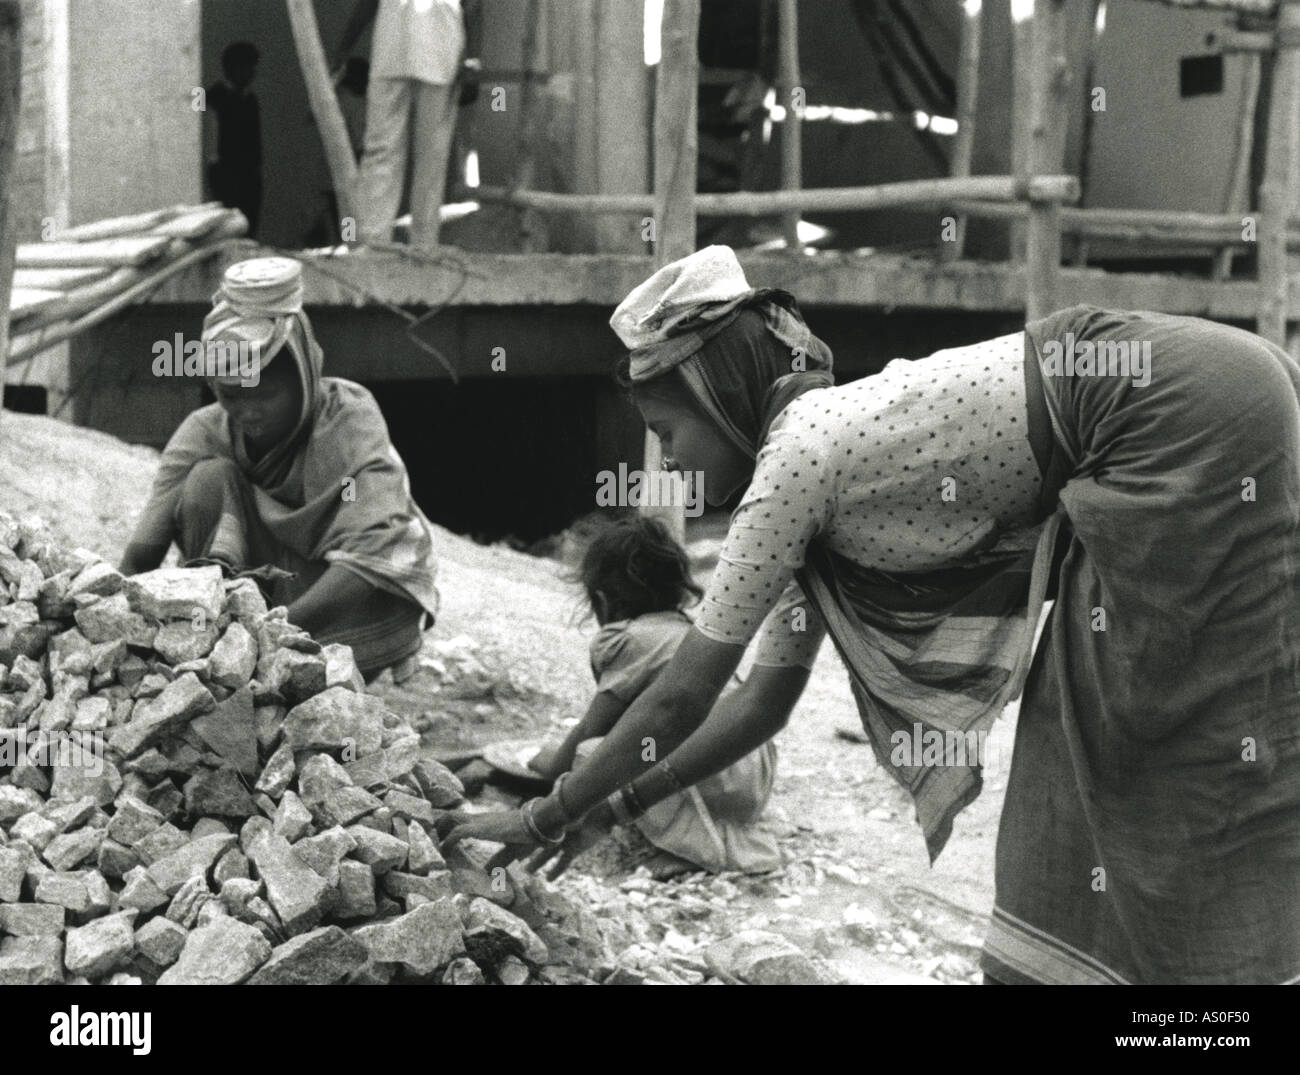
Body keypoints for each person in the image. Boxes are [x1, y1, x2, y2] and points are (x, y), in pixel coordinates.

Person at [445, 244, 1300, 986]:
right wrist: (617, 804)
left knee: (1167, 739)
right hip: (1208, 389)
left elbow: (684, 692)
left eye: (669, 433)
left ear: (716, 392)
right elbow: (761, 702)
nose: (669, 460)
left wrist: (546, 811)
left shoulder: (795, 460)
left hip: (1181, 409)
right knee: (1095, 731)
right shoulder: (804, 495)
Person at [119, 257, 439, 683]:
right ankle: (230, 659)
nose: (247, 412)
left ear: (304, 377)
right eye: (231, 395)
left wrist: (268, 634)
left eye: (265, 394)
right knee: (206, 482)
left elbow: (371, 554)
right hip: (257, 612)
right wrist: (107, 629)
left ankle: (284, 668)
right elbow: (144, 549)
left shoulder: (348, 419)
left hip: (351, 609)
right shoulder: (205, 430)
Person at [528, 513, 780, 874]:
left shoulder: (626, 639)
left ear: (601, 601)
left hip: (706, 774)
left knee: (589, 755)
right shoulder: (690, 632)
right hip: (749, 775)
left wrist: (550, 767)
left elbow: (593, 730)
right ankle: (712, 831)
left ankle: (688, 849)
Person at [333, 0, 483, 251]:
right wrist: (343, 49)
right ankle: (373, 244)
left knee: (428, 158)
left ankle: (422, 247)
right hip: (397, 50)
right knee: (384, 151)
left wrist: (473, 62)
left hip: (436, 50)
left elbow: (473, 5)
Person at [207, 41, 263, 238]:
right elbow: (204, 130)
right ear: (232, 69)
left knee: (249, 228)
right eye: (247, 67)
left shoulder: (250, 99)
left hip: (249, 176)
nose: (251, 73)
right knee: (228, 229)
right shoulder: (212, 97)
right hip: (226, 175)